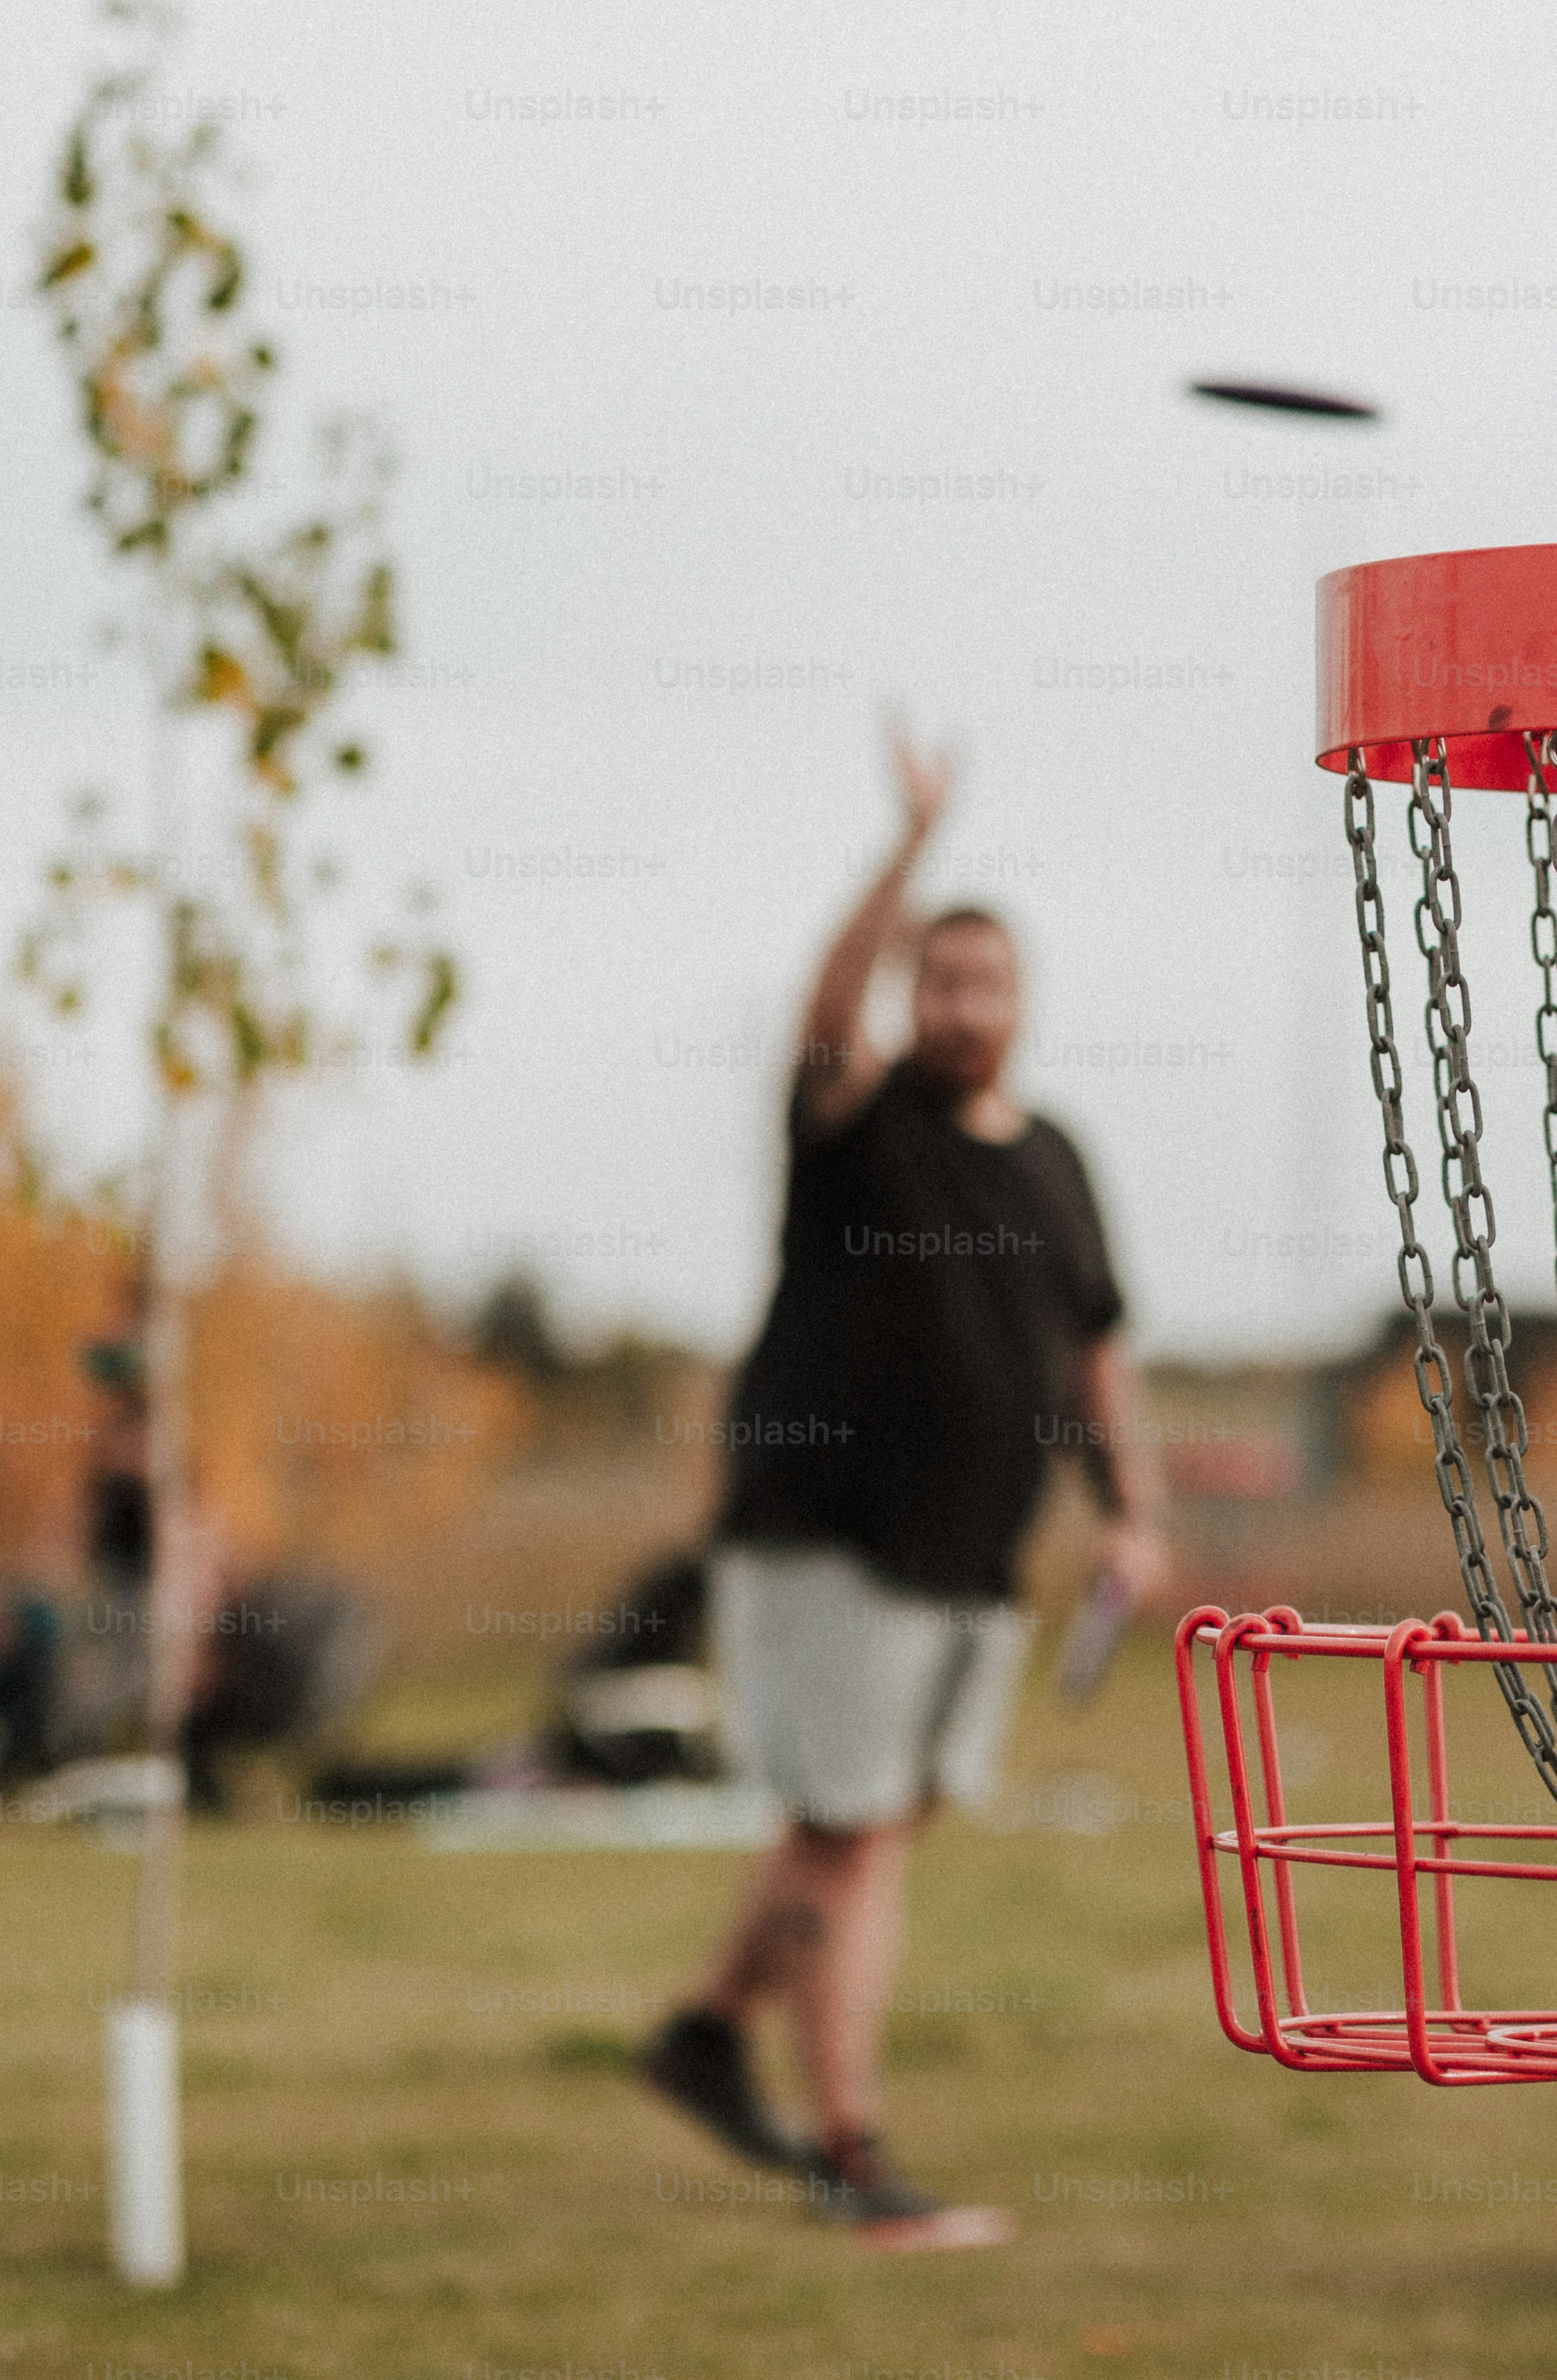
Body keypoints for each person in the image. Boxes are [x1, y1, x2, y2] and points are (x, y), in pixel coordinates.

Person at [640, 723, 1171, 2246]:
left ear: (1022, 1005)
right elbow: (824, 1004)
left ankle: (704, 2031)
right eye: (937, 980)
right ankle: (856, 2161)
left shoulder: (1058, 1159)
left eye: (986, 983)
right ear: (909, 996)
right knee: (851, 1833)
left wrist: (1128, 1511)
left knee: (875, 1821)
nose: (961, 1006)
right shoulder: (860, 1129)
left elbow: (1095, 1354)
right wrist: (909, 847)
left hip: (969, 1565)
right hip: (831, 1544)